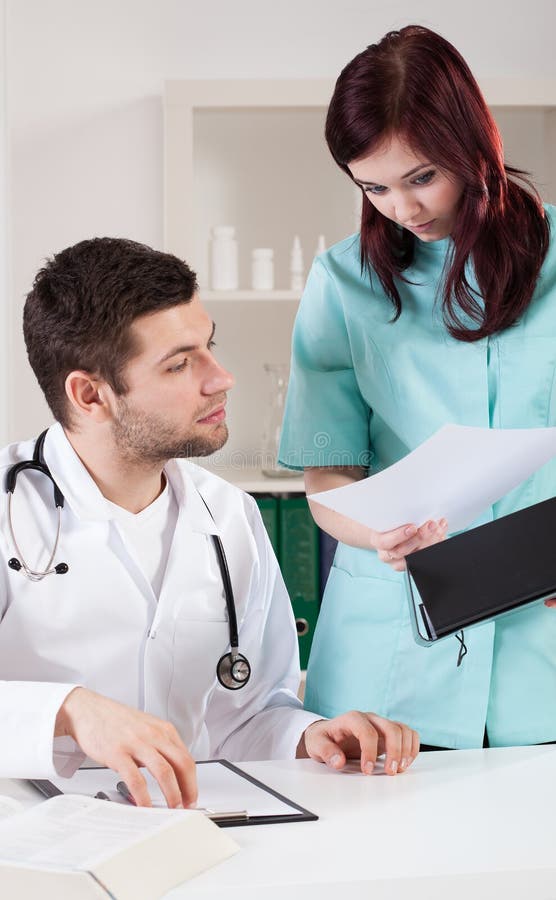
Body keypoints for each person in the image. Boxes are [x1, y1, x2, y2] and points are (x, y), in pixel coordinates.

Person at [0, 237, 419, 808]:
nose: (221, 377)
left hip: (193, 832)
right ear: (90, 394)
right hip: (30, 846)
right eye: (179, 363)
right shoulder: (9, 510)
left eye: (208, 347)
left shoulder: (229, 515)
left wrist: (306, 736)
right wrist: (71, 712)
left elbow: (248, 716)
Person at [278, 25, 556, 750]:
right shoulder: (343, 283)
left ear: (473, 147)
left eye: (421, 177)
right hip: (393, 653)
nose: (402, 208)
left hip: (543, 646)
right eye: (373, 187)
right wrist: (374, 533)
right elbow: (327, 475)